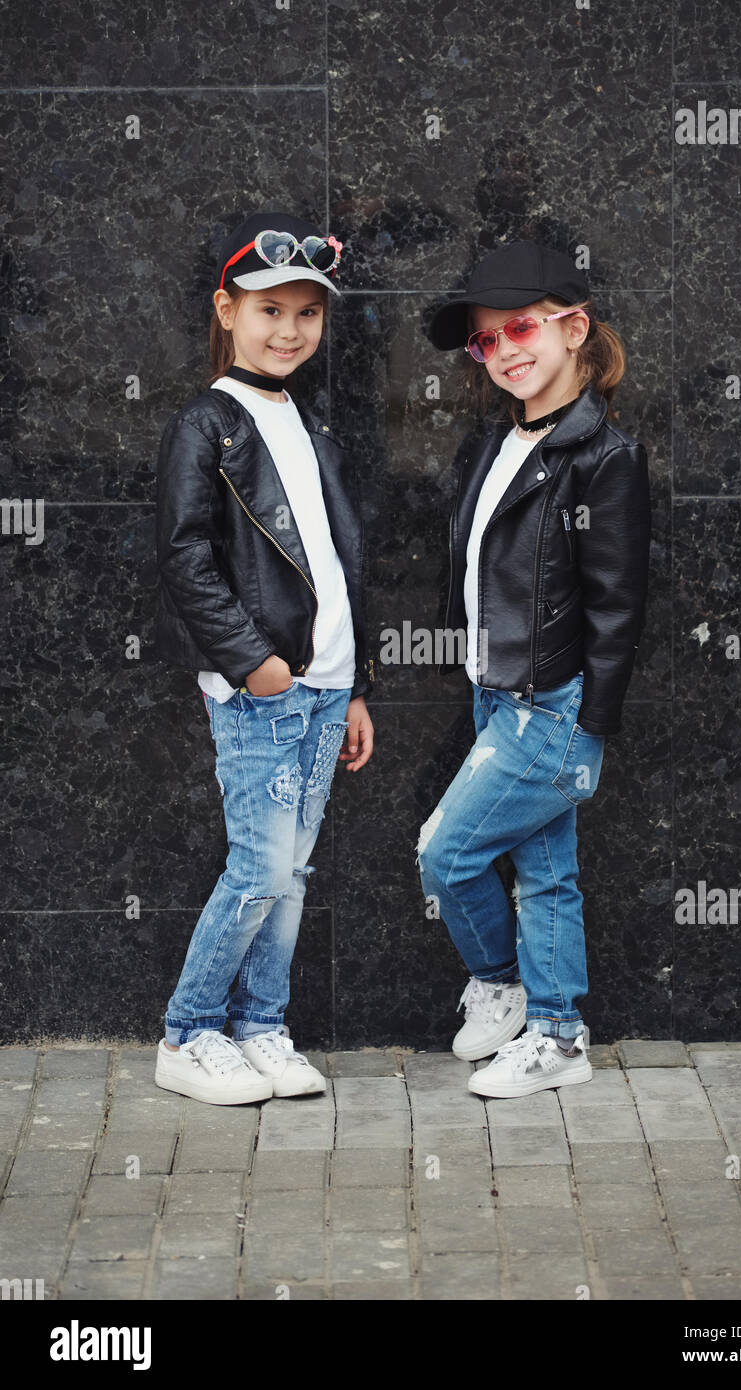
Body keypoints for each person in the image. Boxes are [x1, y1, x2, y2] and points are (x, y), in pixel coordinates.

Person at [418, 240, 651, 1098]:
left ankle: (504, 988)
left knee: (443, 854)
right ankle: (553, 1033)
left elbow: (618, 607)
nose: (505, 351)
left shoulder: (602, 457)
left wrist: (591, 730)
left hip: (550, 705)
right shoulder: (495, 442)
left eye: (520, 328)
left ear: (573, 327)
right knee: (547, 872)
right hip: (494, 689)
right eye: (486, 341)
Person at [153, 211, 373, 1105]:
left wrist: (355, 687)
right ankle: (188, 1032)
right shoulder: (208, 421)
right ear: (227, 310)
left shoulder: (307, 424)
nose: (288, 330)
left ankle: (262, 1026)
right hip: (261, 692)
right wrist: (252, 663)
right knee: (259, 868)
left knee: (293, 870)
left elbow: (333, 562)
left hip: (324, 689)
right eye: (268, 310)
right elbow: (184, 556)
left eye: (306, 315)